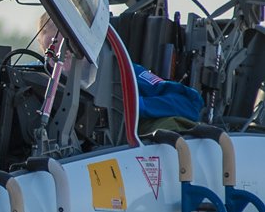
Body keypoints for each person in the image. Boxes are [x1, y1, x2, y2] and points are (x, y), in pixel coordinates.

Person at [38, 13, 203, 132]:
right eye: (50, 50)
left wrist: (133, 106)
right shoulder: (39, 81)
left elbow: (190, 102)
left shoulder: (123, 73)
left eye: (65, 46)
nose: (59, 55)